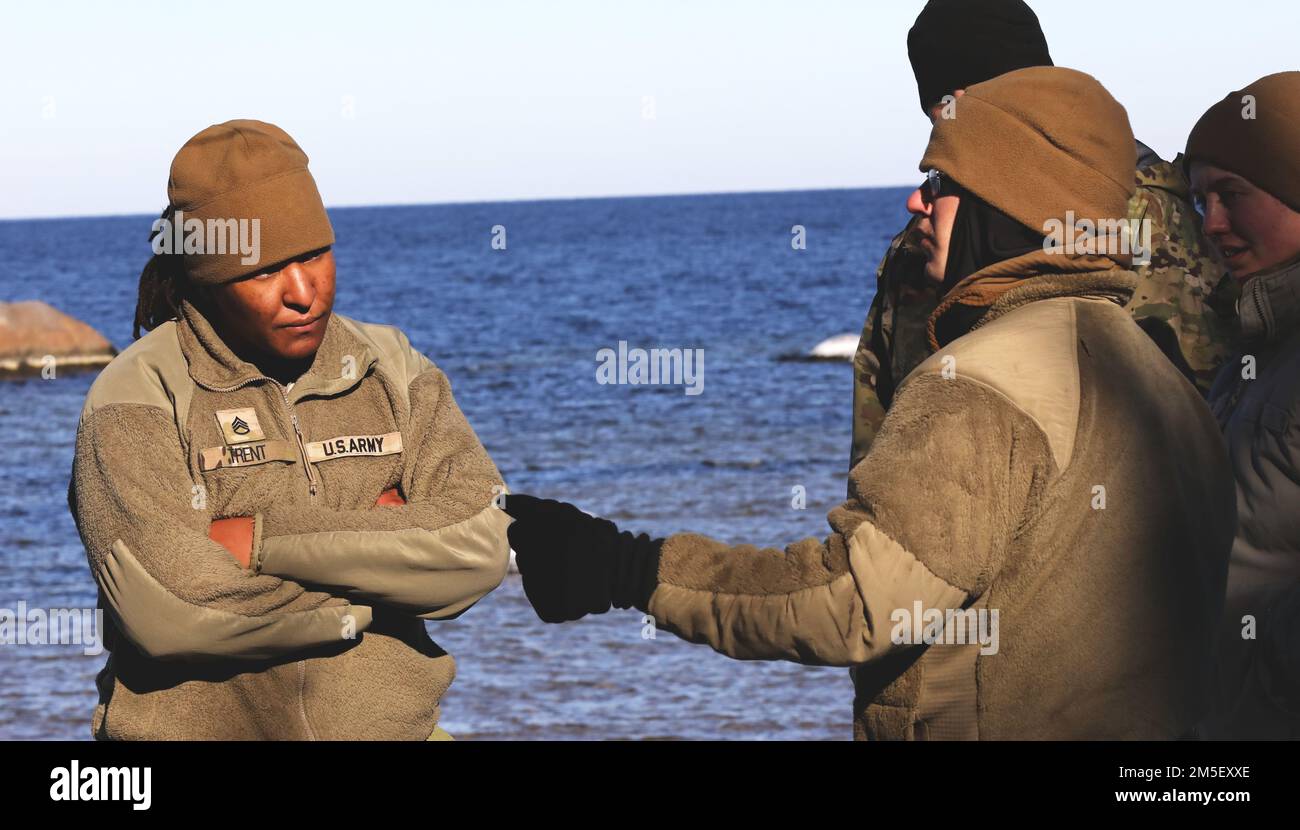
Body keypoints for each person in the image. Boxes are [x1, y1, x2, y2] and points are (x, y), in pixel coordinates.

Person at [505, 67, 1235, 740]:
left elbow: (852, 602)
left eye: (944, 179)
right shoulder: (1163, 375)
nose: (918, 200)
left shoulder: (982, 383)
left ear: (1005, 198)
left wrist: (625, 567)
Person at [67, 120, 512, 740]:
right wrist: (382, 578)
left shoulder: (393, 367)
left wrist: (253, 542)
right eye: (265, 271)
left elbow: (481, 545)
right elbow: (172, 613)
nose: (303, 293)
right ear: (205, 277)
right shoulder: (135, 396)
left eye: (313, 255)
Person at [850, 0, 1234, 470]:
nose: (959, 137)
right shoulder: (920, 245)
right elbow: (877, 441)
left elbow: (1210, 422)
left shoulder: (1150, 218)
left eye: (969, 112)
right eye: (944, 120)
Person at [1185, 72, 1300, 739]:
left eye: (1232, 196)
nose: (1213, 226)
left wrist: (1276, 674)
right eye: (1202, 202)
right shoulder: (1251, 355)